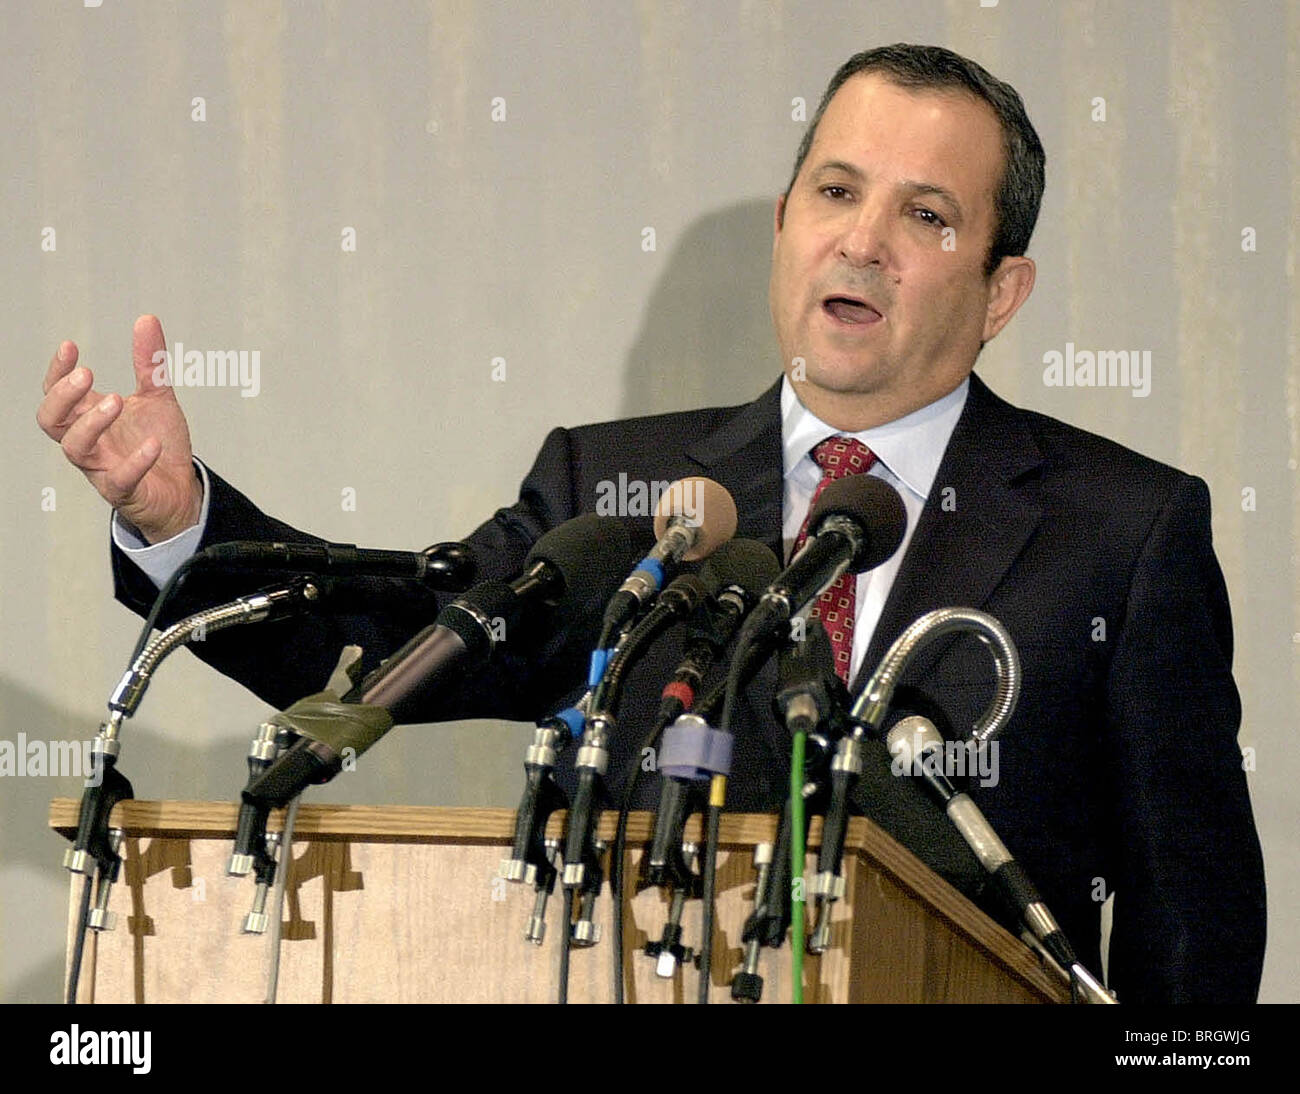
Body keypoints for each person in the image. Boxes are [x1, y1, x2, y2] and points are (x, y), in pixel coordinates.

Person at [37, 44, 1265, 1003]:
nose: (863, 241)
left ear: (1002, 289)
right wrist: (183, 521)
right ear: (784, 222)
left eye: (925, 216)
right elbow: (380, 654)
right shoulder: (612, 487)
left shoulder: (1122, 531)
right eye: (835, 191)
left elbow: (1191, 922)